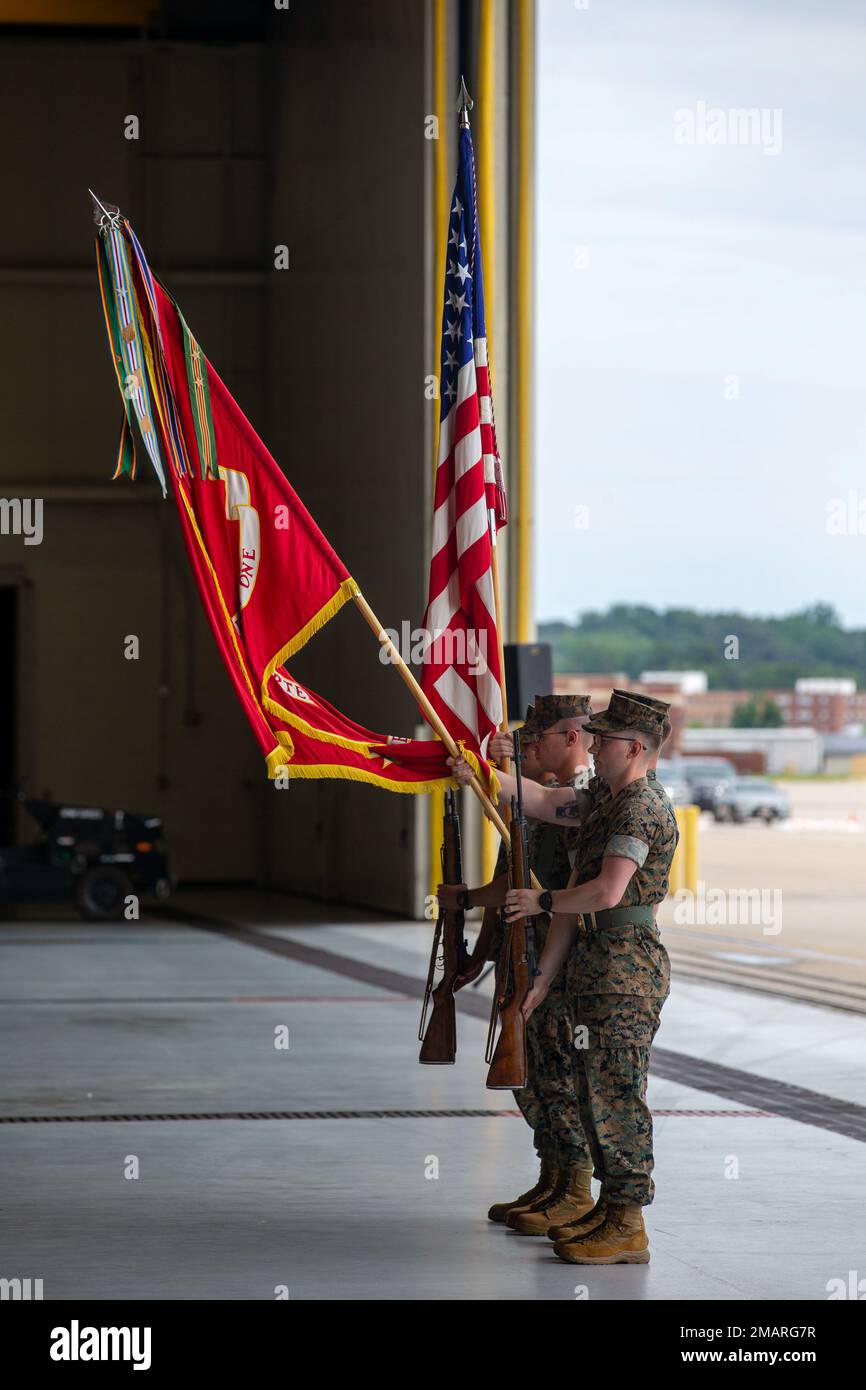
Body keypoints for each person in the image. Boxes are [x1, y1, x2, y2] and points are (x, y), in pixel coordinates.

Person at [503, 692, 678, 1265]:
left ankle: (628, 1221)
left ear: (634, 748)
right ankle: (606, 1209)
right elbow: (573, 892)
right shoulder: (606, 801)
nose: (593, 747)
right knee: (591, 1093)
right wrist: (546, 975)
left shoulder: (642, 807)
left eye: (603, 740)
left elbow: (604, 892)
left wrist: (543, 899)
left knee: (618, 1096)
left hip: (625, 972)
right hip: (593, 968)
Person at [438, 695, 596, 1233]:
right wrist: (477, 951)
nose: (529, 746)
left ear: (571, 737)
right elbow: (508, 884)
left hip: (560, 958)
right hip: (521, 950)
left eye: (539, 738)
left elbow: (547, 811)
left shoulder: (584, 797)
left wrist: (491, 771)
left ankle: (574, 1187)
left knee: (556, 1074)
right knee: (534, 1078)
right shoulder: (531, 803)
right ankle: (553, 1178)